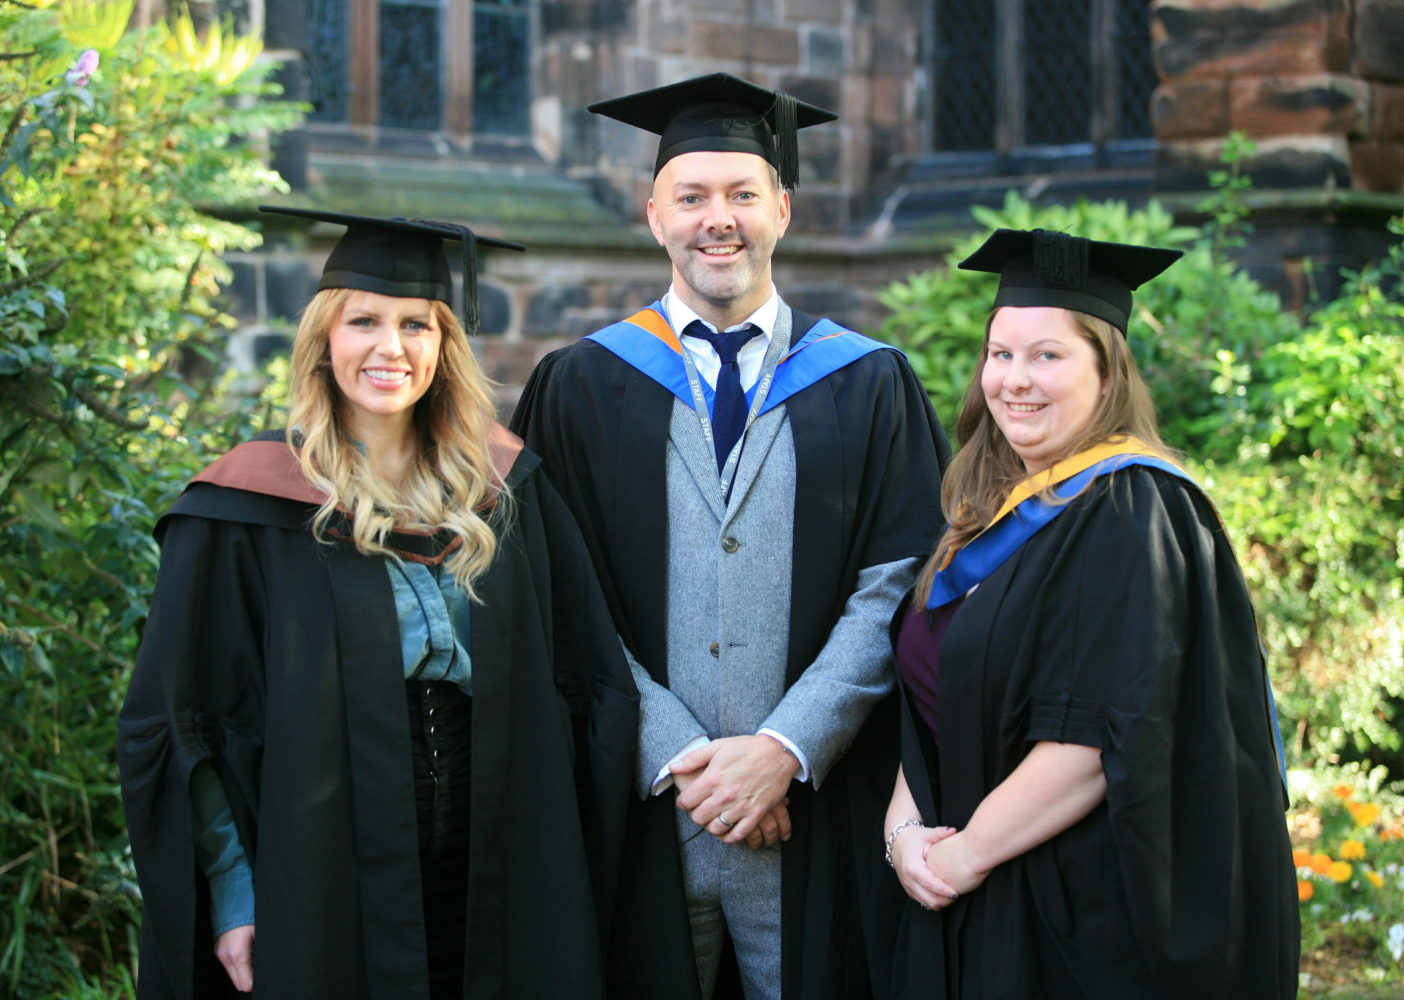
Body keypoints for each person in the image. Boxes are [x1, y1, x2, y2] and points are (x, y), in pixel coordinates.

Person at [118, 208, 639, 1000]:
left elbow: (586, 683)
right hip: (326, 873)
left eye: (416, 325)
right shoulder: (246, 508)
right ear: (325, 340)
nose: (390, 347)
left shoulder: (507, 492)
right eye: (364, 320)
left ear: (444, 345)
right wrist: (233, 895)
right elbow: (183, 718)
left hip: (501, 861)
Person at [510, 73, 951, 999]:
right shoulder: (581, 384)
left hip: (815, 811)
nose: (720, 219)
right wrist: (682, 757)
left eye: (743, 194)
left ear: (783, 209)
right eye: (694, 196)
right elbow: (559, 590)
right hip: (646, 810)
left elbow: (900, 584)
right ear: (654, 212)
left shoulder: (867, 382)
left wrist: (785, 748)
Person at [884, 228, 1300, 999]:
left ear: (1107, 374)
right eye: (1000, 354)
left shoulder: (1134, 509)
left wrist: (965, 854)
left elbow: (1101, 734)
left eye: (1048, 355)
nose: (1015, 379)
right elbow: (929, 699)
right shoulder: (982, 516)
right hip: (957, 888)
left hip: (1068, 909)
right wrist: (903, 834)